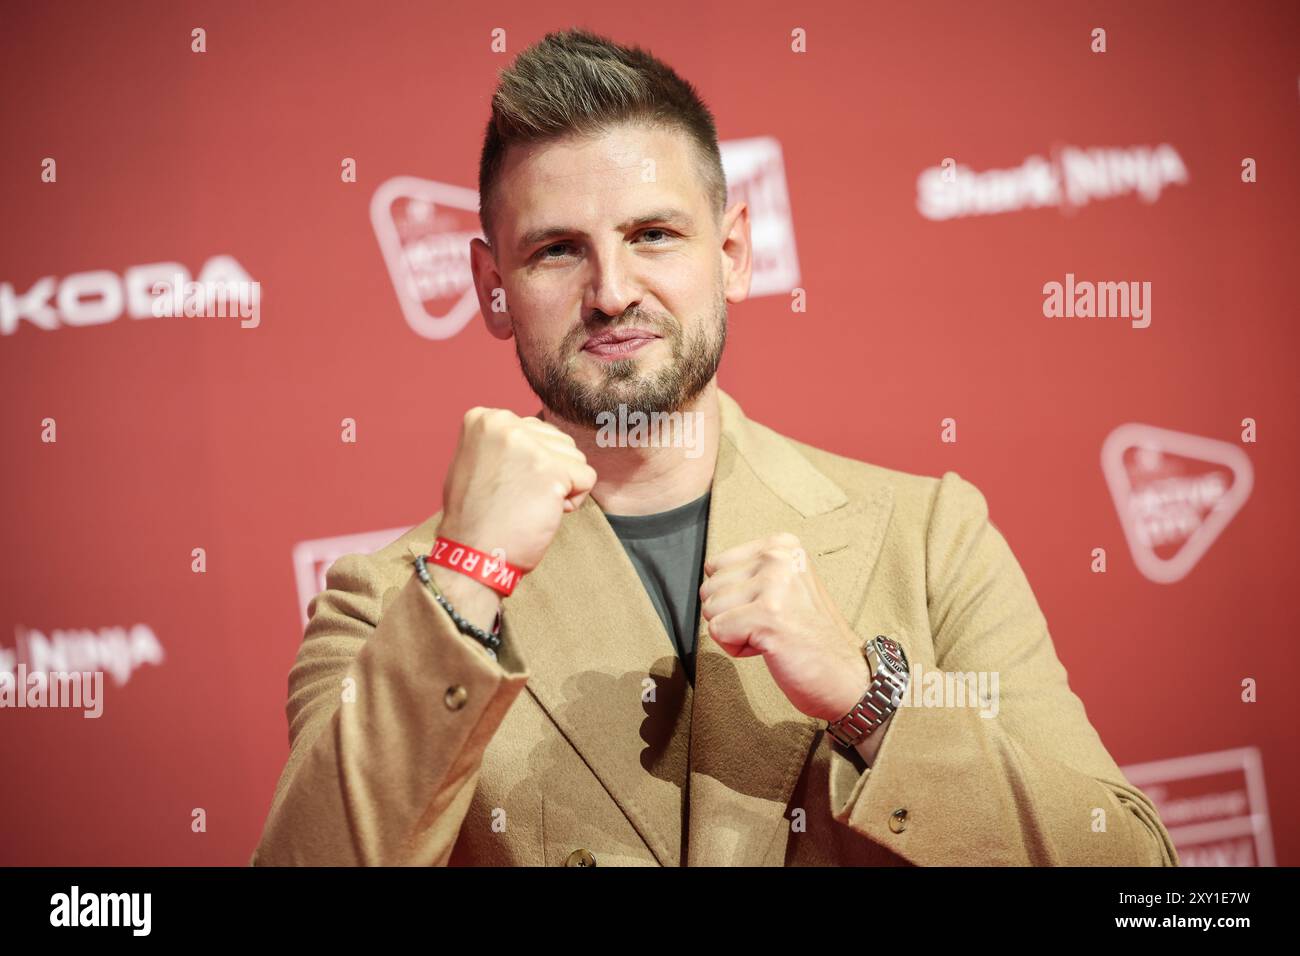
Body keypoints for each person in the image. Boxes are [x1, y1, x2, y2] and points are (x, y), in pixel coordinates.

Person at [251, 28, 1178, 867]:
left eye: (653, 235)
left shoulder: (928, 536)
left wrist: (871, 700)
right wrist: (460, 582)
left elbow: (1134, 874)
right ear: (491, 286)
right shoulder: (389, 600)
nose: (612, 291)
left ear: (733, 253)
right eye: (556, 252)